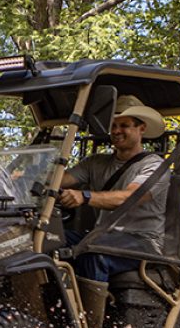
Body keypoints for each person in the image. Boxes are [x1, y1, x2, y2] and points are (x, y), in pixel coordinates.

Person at [55, 97, 167, 285]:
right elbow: (61, 179)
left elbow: (130, 197)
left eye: (124, 125)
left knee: (93, 253)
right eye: (113, 125)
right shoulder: (95, 162)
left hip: (142, 242)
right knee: (47, 238)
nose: (116, 131)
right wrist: (31, 177)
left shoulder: (154, 166)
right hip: (101, 237)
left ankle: (89, 314)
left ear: (142, 129)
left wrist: (84, 196)